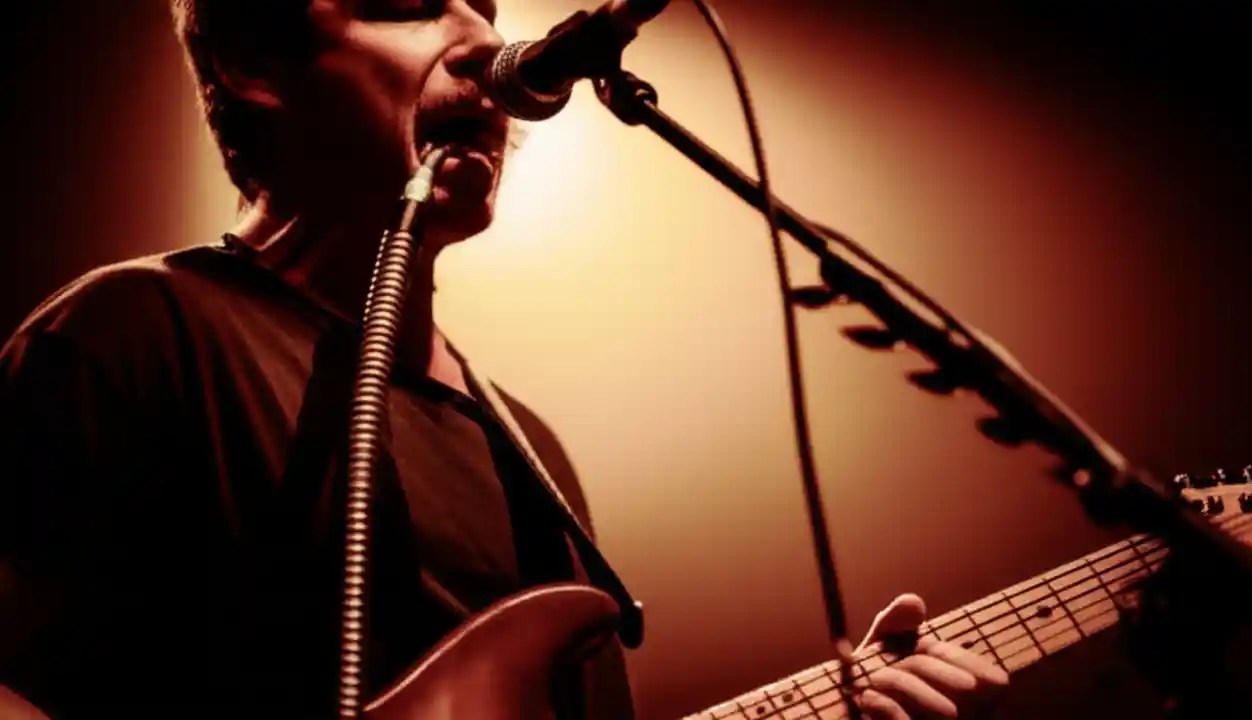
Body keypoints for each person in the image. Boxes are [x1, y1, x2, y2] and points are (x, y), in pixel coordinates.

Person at [0, 0, 1008, 717]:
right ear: (253, 64)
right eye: (406, 4)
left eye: (485, 9)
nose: (486, 45)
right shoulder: (135, 333)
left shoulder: (528, 451)